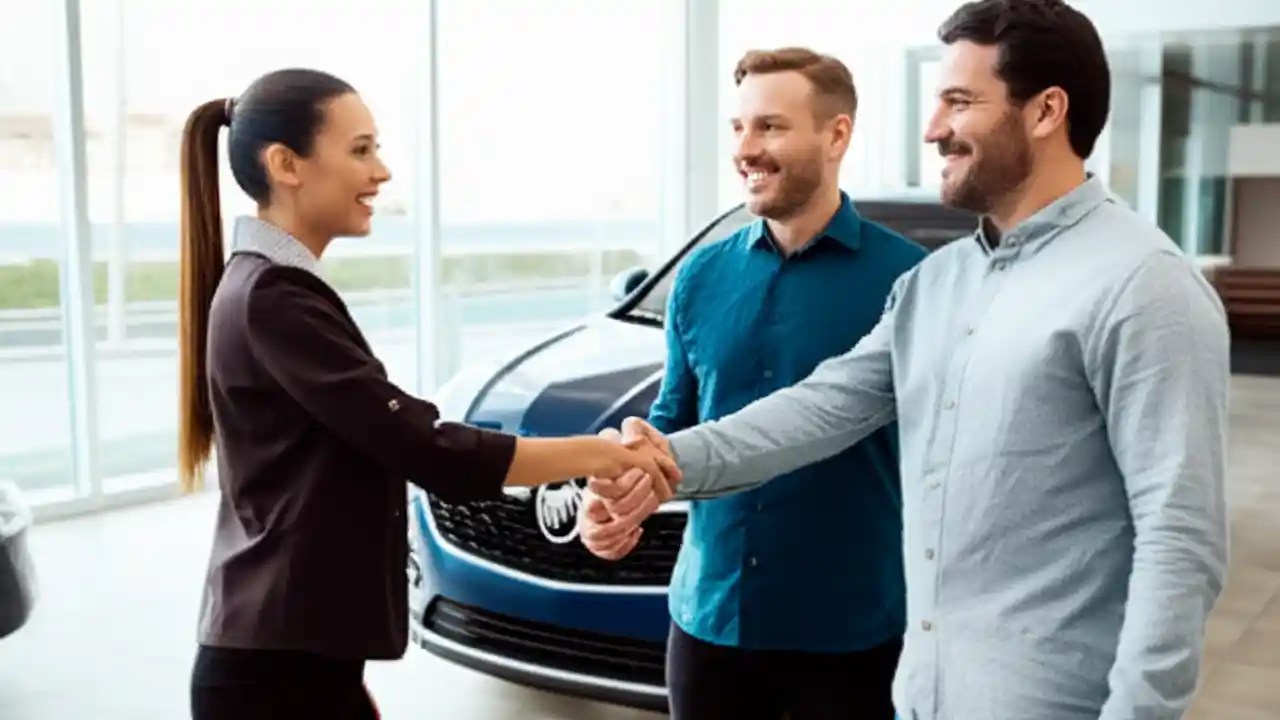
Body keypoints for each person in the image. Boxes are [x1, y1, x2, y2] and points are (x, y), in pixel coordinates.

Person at [591, 1, 1231, 718]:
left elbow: (1181, 538)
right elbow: (819, 409)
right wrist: (659, 461)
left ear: (1046, 111)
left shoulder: (1145, 285)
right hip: (920, 695)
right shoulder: (937, 282)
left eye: (960, 103)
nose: (933, 130)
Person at [176, 68, 678, 720]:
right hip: (274, 672)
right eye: (360, 150)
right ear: (286, 165)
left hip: (295, 656)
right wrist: (601, 456)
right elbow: (425, 447)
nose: (380, 172)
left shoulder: (266, 288)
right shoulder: (275, 298)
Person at [579, 48, 926, 719]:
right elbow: (674, 421)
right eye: (738, 128)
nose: (745, 149)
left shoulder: (912, 282)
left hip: (850, 633)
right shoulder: (702, 277)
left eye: (769, 127)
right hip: (709, 622)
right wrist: (624, 495)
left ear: (837, 135)